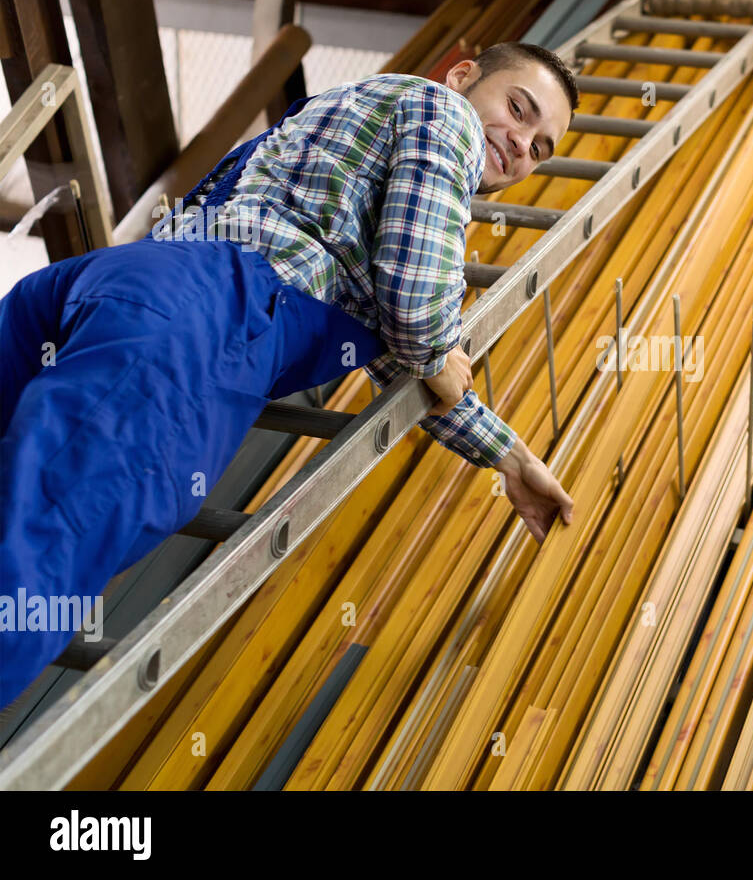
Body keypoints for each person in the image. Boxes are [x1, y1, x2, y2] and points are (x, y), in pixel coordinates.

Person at [0, 41, 577, 706]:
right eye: (518, 108)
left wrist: (509, 456)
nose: (520, 142)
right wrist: (441, 347)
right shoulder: (443, 115)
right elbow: (417, 318)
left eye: (539, 147)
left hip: (122, 285)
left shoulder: (360, 146)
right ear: (462, 76)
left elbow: (398, 340)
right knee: (47, 546)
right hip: (208, 316)